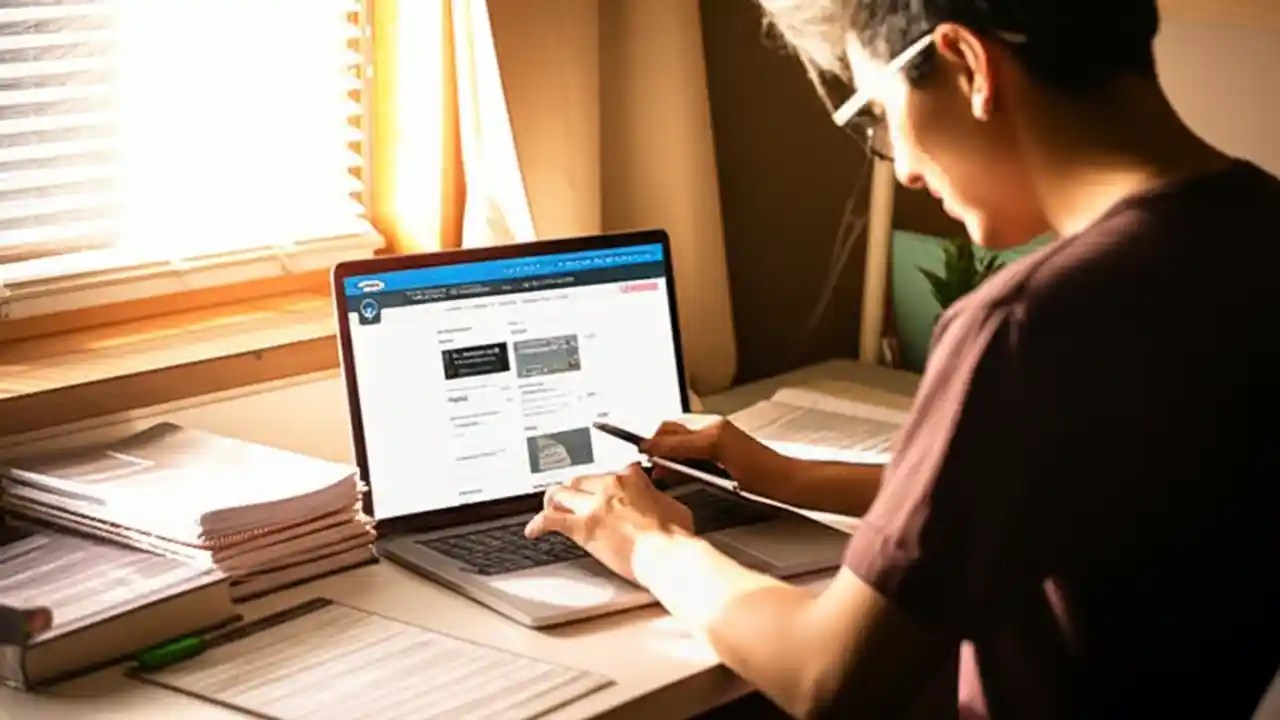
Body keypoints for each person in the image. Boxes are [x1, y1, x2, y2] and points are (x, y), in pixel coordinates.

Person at [525, 0, 1280, 717]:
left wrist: (649, 543)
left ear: (967, 64)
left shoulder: (1028, 324)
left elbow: (825, 677)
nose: (907, 169)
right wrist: (793, 478)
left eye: (881, 116)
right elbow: (1070, 492)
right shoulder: (1255, 229)